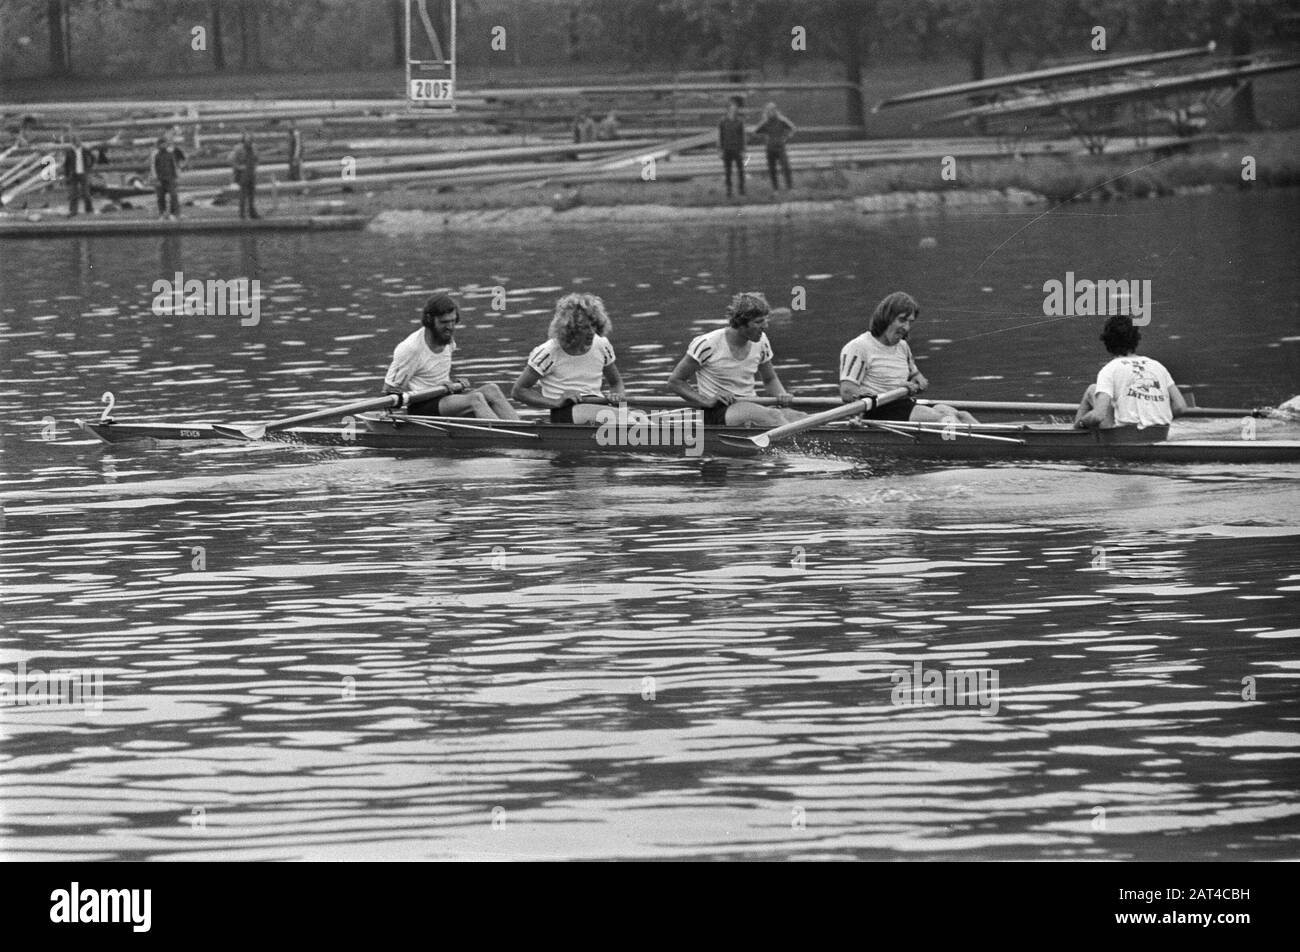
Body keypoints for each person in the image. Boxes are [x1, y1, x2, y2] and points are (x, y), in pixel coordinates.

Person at [667, 291, 804, 427]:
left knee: (800, 417)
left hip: (751, 404)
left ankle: (813, 442)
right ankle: (798, 448)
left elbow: (770, 379)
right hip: (718, 410)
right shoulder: (707, 344)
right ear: (741, 324)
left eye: (765, 320)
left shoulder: (761, 341)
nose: (766, 326)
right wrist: (705, 401)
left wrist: (782, 395)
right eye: (758, 322)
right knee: (774, 416)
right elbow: (675, 381)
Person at [840, 292, 978, 424]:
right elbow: (847, 392)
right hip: (876, 411)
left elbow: (920, 380)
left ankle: (993, 442)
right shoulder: (859, 347)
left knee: (963, 415)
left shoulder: (903, 347)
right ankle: (970, 445)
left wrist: (916, 383)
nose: (906, 327)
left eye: (910, 322)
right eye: (902, 320)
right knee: (943, 418)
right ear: (886, 317)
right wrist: (895, 391)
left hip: (901, 405)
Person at [384, 293, 520, 420]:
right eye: (444, 322)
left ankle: (524, 432)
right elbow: (390, 392)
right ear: (430, 320)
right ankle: (505, 439)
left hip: (444, 398)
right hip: (421, 407)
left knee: (492, 390)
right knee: (476, 399)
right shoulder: (410, 348)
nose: (450, 327)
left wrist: (455, 384)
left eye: (453, 321)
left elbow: (434, 374)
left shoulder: (447, 339)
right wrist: (434, 389)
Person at [512, 293, 641, 425]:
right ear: (571, 329)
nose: (592, 332)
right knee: (630, 422)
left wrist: (617, 396)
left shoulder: (601, 345)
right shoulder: (548, 352)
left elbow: (616, 383)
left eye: (594, 325)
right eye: (585, 327)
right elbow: (519, 391)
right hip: (565, 411)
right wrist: (555, 402)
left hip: (597, 406)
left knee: (641, 418)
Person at [1075, 314, 1187, 429]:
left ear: (1107, 341)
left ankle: (1074, 434)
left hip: (1124, 437)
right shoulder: (1158, 366)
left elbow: (1098, 416)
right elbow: (1180, 406)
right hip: (1160, 434)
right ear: (1135, 339)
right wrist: (1156, 419)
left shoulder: (1109, 369)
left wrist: (1082, 423)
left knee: (1092, 389)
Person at [754, 101, 795, 191]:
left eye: (772, 110)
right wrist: (764, 136)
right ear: (767, 112)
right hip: (770, 148)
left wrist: (786, 137)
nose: (771, 112)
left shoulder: (781, 120)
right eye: (769, 110)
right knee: (772, 169)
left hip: (780, 147)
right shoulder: (765, 122)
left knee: (786, 167)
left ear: (775, 110)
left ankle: (790, 187)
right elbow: (756, 131)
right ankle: (775, 189)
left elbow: (792, 128)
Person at [152, 136, 186, 220]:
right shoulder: (155, 154)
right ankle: (162, 214)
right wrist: (155, 178)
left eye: (165, 144)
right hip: (160, 178)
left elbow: (175, 165)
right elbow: (153, 167)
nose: (164, 145)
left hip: (170, 178)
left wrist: (177, 175)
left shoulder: (170, 154)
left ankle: (175, 213)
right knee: (160, 197)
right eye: (162, 144)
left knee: (174, 195)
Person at [718, 97, 746, 198]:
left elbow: (742, 136)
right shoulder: (723, 121)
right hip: (726, 149)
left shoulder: (740, 121)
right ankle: (729, 190)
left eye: (735, 108)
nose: (733, 109)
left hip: (737, 149)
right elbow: (720, 136)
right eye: (731, 107)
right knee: (728, 171)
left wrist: (743, 150)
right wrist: (720, 150)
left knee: (741, 170)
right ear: (728, 109)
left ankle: (742, 189)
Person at [63, 132, 95, 216]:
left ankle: (89, 209)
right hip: (74, 174)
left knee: (86, 193)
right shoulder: (70, 151)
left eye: (79, 141)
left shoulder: (85, 150)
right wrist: (67, 175)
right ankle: (73, 210)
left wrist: (89, 167)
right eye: (76, 141)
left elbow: (93, 157)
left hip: (83, 173)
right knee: (74, 193)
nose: (78, 143)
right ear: (74, 143)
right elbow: (66, 164)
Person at [229, 131, 259, 220]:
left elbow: (257, 158)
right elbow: (230, 159)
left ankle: (252, 212)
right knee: (243, 195)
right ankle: (242, 214)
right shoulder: (238, 148)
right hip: (243, 175)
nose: (250, 142)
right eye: (248, 140)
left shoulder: (254, 147)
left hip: (251, 173)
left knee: (252, 195)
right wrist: (239, 167)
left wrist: (255, 167)